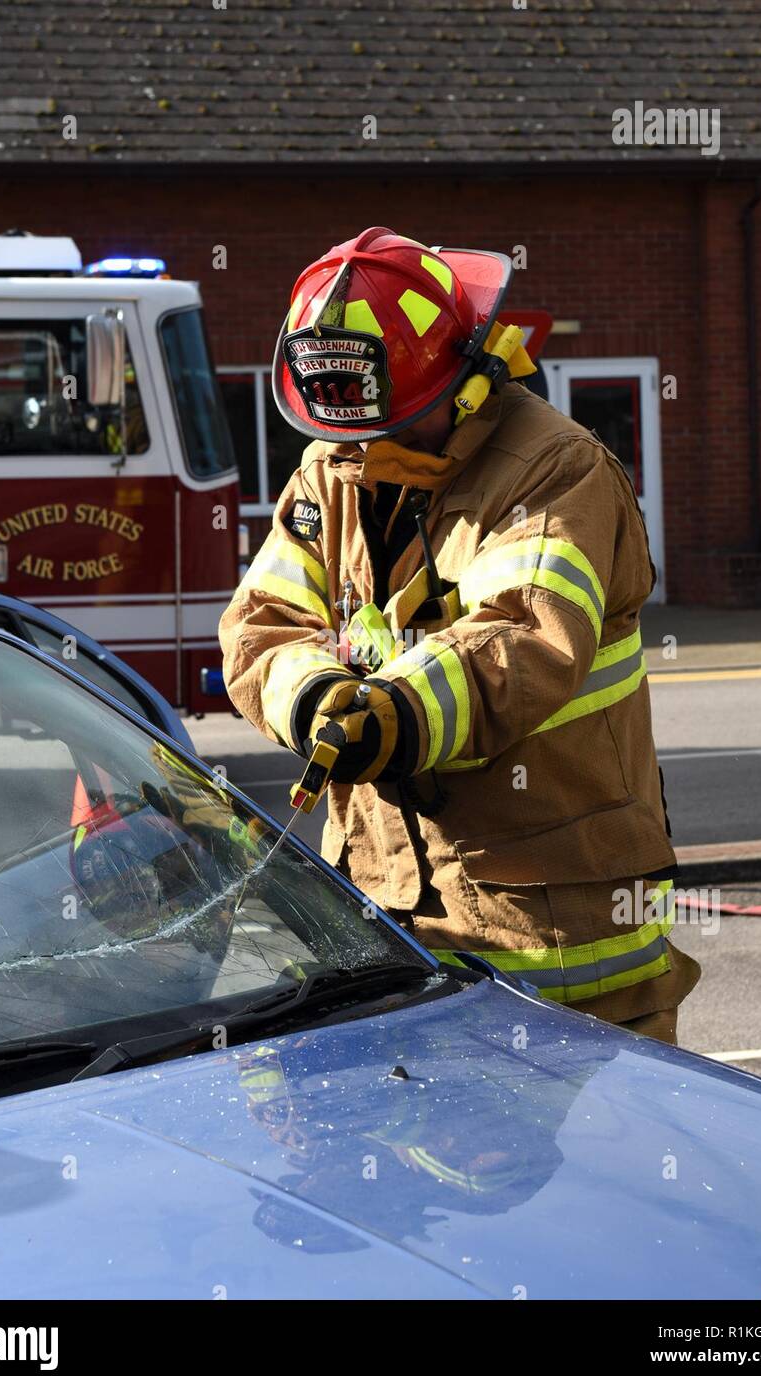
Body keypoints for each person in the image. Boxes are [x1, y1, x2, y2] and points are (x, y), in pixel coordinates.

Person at [218, 227, 700, 1043]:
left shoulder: (555, 471)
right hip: (388, 910)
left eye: (396, 426)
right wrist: (315, 702)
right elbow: (262, 624)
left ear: (466, 380)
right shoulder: (332, 468)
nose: (366, 452)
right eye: (352, 433)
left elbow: (521, 637)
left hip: (555, 932)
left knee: (591, 1170)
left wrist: (393, 716)